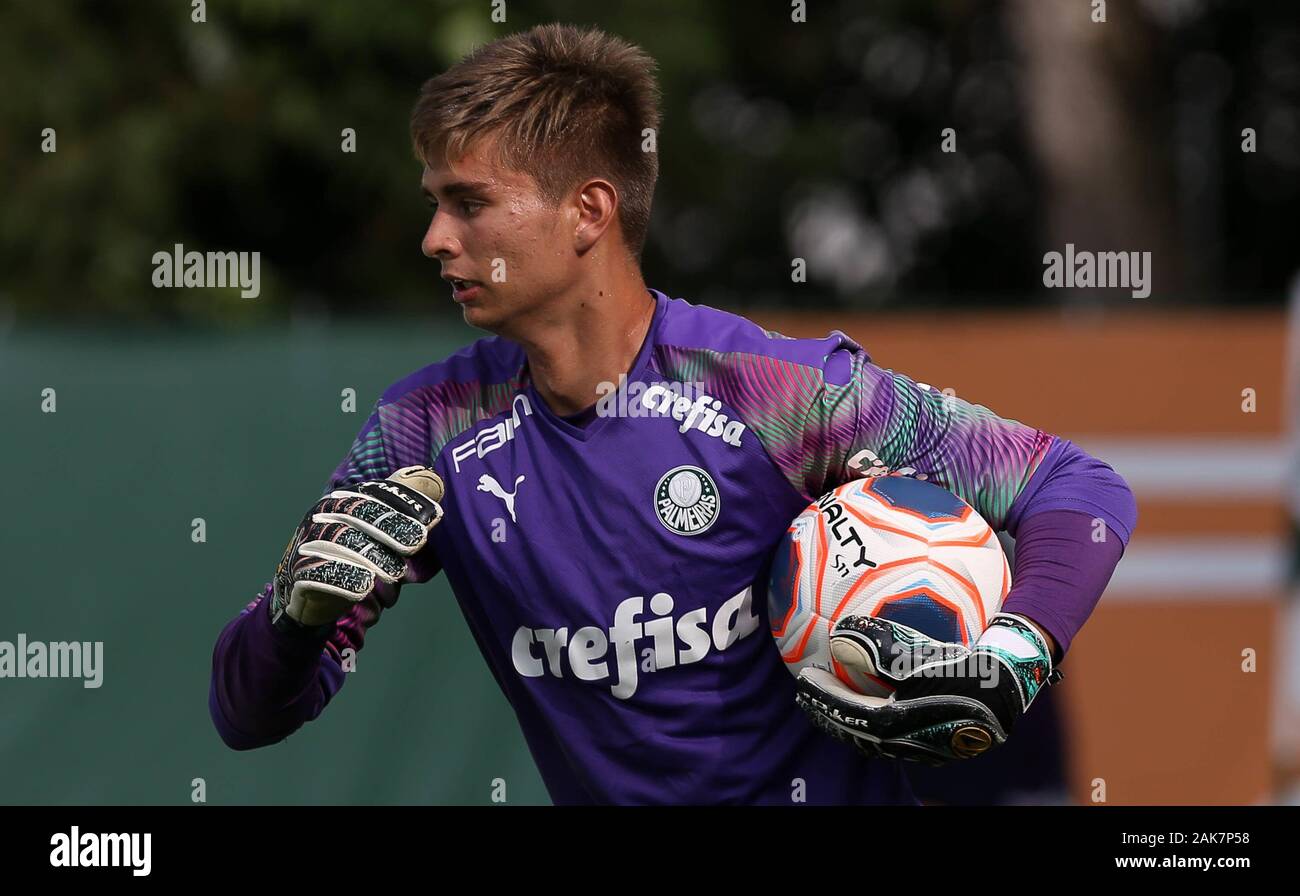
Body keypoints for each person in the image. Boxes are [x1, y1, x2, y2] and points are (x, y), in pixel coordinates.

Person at [209, 22, 1137, 805]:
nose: (435, 238)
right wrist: (293, 625)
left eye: (469, 203)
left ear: (588, 212)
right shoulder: (428, 426)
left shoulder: (775, 391)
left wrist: (1016, 648)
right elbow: (246, 717)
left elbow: (1078, 487)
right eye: (434, 205)